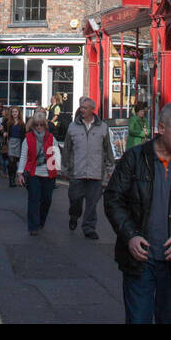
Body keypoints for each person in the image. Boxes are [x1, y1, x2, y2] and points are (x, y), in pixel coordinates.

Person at [104, 102, 171, 324]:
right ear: (161, 129)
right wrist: (130, 235)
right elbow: (113, 199)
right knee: (138, 319)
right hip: (140, 259)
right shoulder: (135, 159)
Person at [62, 95, 115, 239]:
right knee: (75, 199)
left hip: (96, 172)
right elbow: (67, 148)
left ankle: (89, 228)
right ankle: (74, 215)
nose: (81, 110)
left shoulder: (103, 127)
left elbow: (108, 149)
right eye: (81, 107)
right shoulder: (72, 127)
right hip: (77, 171)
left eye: (85, 108)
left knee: (92, 203)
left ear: (92, 110)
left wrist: (110, 167)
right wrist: (65, 166)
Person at [17, 110, 60, 234]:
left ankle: (41, 221)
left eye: (41, 125)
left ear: (45, 125)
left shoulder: (51, 138)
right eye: (36, 125)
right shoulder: (28, 139)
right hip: (33, 173)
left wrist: (57, 168)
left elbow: (56, 154)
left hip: (48, 173)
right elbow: (24, 156)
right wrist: (20, 173)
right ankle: (33, 226)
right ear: (33, 126)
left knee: (46, 200)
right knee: (34, 199)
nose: (39, 127)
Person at [5, 107, 25, 187]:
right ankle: (11, 179)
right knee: (11, 162)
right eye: (13, 112)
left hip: (19, 142)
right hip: (11, 142)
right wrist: (4, 132)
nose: (14, 113)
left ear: (18, 113)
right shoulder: (8, 122)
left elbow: (23, 134)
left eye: (16, 112)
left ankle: (19, 178)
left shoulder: (22, 123)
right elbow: (3, 129)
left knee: (17, 161)